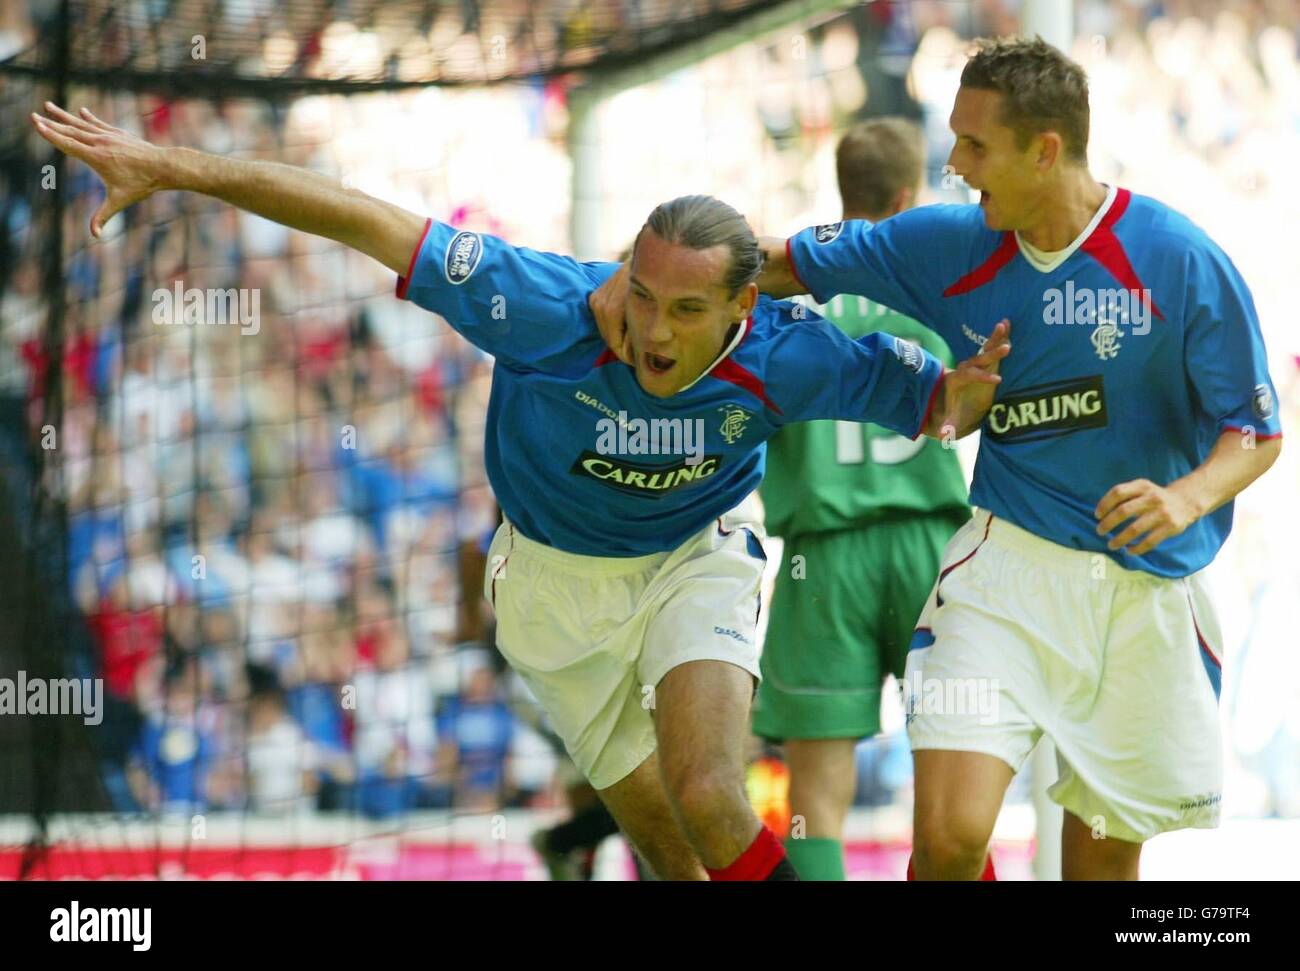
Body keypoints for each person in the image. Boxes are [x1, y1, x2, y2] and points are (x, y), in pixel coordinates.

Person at [31, 103, 1009, 879]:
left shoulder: (794, 355)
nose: (653, 332)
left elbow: (942, 405)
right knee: (672, 856)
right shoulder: (535, 301)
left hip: (697, 557)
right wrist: (171, 166)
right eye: (639, 293)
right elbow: (358, 214)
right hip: (551, 591)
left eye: (684, 310)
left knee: (713, 794)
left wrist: (985, 378)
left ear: (739, 309)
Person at [746, 36, 1282, 879]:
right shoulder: (945, 243)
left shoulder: (1179, 258)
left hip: (1143, 591)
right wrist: (636, 286)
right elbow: (783, 264)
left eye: (975, 145)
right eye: (954, 140)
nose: (954, 164)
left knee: (1100, 863)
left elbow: (1256, 430)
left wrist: (1185, 497)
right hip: (1004, 567)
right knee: (952, 836)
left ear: (1046, 149)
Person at [750, 118, 975, 881]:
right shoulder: (944, 294)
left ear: (842, 191)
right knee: (953, 774)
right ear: (911, 193)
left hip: (825, 556)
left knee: (815, 787)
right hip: (931, 552)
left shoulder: (796, 297)